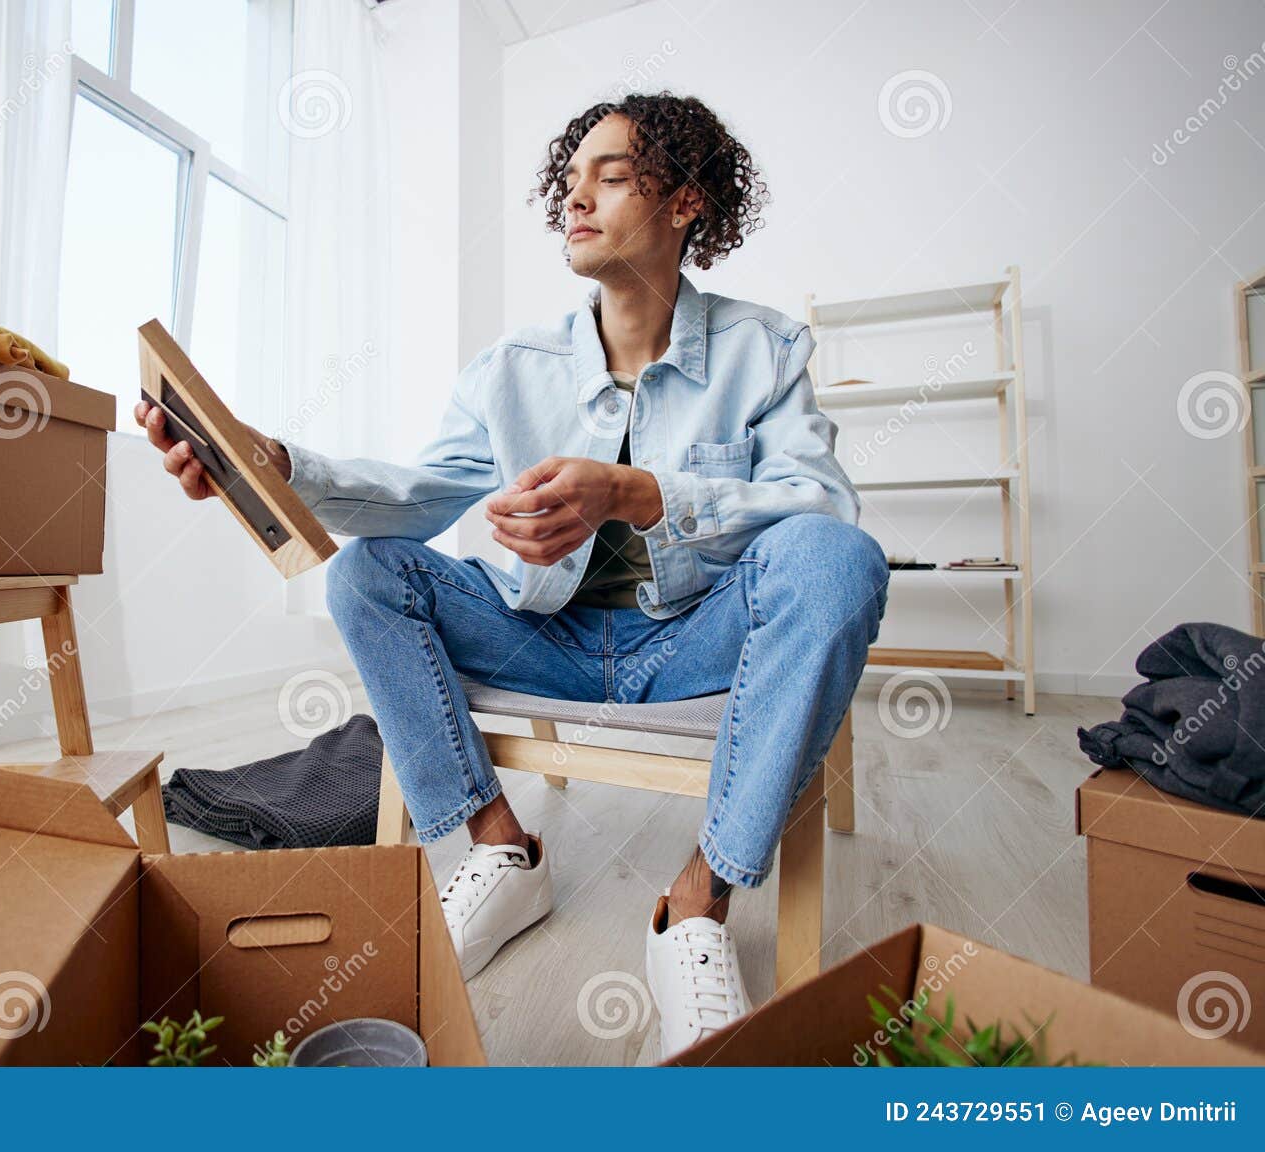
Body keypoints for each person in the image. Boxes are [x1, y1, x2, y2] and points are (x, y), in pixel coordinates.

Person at [135, 91, 888, 1060]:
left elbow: (821, 504)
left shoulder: (766, 350)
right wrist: (277, 462)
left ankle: (697, 903)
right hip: (546, 637)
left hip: (697, 640)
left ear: (686, 200)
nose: (575, 199)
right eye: (569, 181)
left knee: (838, 559)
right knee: (367, 572)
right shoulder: (510, 368)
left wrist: (640, 492)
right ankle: (499, 845)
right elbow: (415, 497)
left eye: (611, 177)